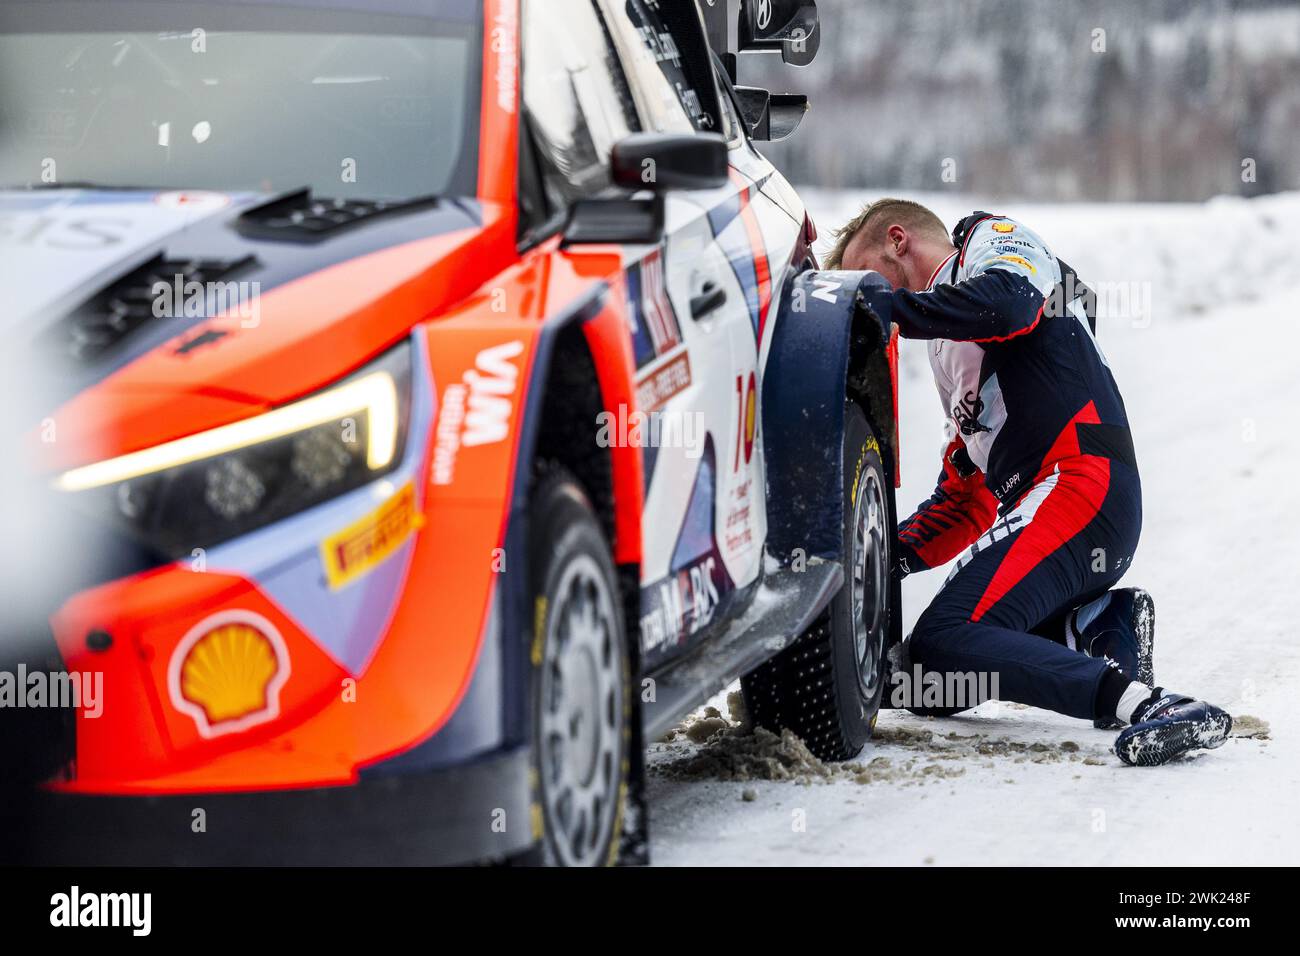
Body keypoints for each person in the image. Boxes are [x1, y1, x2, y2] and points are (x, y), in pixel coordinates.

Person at [825, 198, 1231, 766]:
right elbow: (964, 498)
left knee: (947, 636)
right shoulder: (949, 347)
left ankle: (1154, 706)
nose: (861, 301)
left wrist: (892, 310)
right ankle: (1096, 627)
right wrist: (880, 554)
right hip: (1057, 505)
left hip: (1081, 485)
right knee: (921, 674)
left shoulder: (990, 239)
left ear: (898, 241)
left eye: (860, 281)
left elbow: (1012, 304)